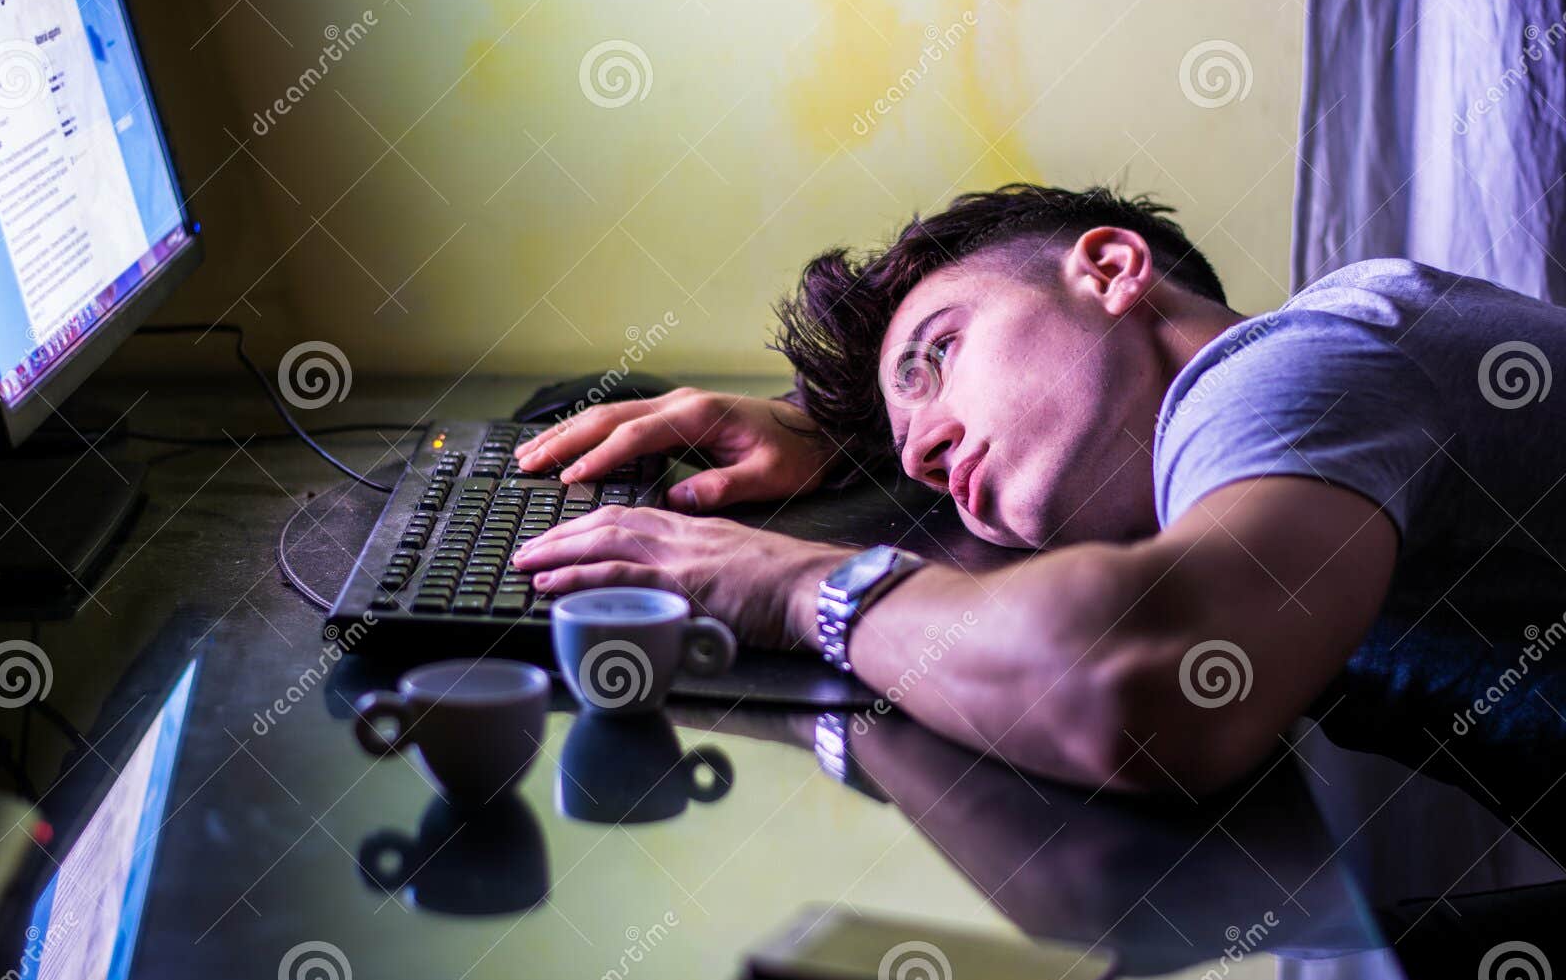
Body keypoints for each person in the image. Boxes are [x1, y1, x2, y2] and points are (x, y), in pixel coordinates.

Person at [508, 183, 1566, 794]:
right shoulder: (1275, 428)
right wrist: (835, 434)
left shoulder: (1303, 365)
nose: (922, 451)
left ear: (1109, 270)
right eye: (902, 433)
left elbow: (1143, 685)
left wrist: (801, 588)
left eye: (938, 354)